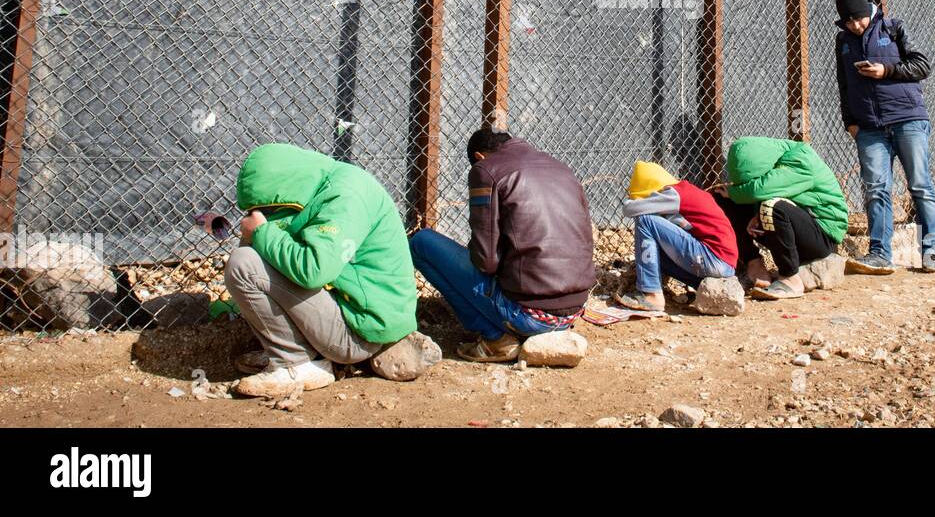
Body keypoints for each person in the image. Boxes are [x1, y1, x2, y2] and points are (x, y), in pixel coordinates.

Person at [223, 143, 426, 399]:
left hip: (362, 334)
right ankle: (297, 352)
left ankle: (295, 364)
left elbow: (314, 271)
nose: (266, 215)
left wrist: (262, 232)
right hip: (360, 316)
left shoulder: (344, 197)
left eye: (268, 208)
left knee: (244, 265)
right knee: (259, 259)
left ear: (283, 191)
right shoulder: (322, 184)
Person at [409, 128, 596, 362]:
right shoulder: (561, 168)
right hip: (573, 310)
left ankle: (494, 338)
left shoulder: (485, 170)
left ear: (479, 157)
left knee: (421, 242)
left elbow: (486, 262)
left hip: (528, 316)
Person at [834, 0, 935, 275]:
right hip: (869, 128)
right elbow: (843, 84)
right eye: (848, 21)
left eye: (858, 18)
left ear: (868, 11)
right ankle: (880, 254)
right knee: (875, 189)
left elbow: (922, 65)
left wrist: (887, 71)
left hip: (908, 119)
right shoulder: (843, 40)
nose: (855, 25)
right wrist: (851, 123)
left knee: (920, 185)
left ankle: (931, 251)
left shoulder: (894, 28)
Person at [716, 136, 848, 301]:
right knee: (723, 200)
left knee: (771, 207)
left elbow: (760, 190)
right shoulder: (776, 160)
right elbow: (765, 190)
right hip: (792, 222)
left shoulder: (801, 160)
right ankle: (755, 268)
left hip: (821, 233)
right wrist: (755, 211)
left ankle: (790, 278)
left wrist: (741, 197)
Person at [614, 160, 739, 312]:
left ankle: (652, 294)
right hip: (725, 264)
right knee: (659, 251)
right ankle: (699, 285)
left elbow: (629, 209)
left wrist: (638, 200)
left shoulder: (674, 194)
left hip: (713, 258)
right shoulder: (687, 191)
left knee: (645, 220)